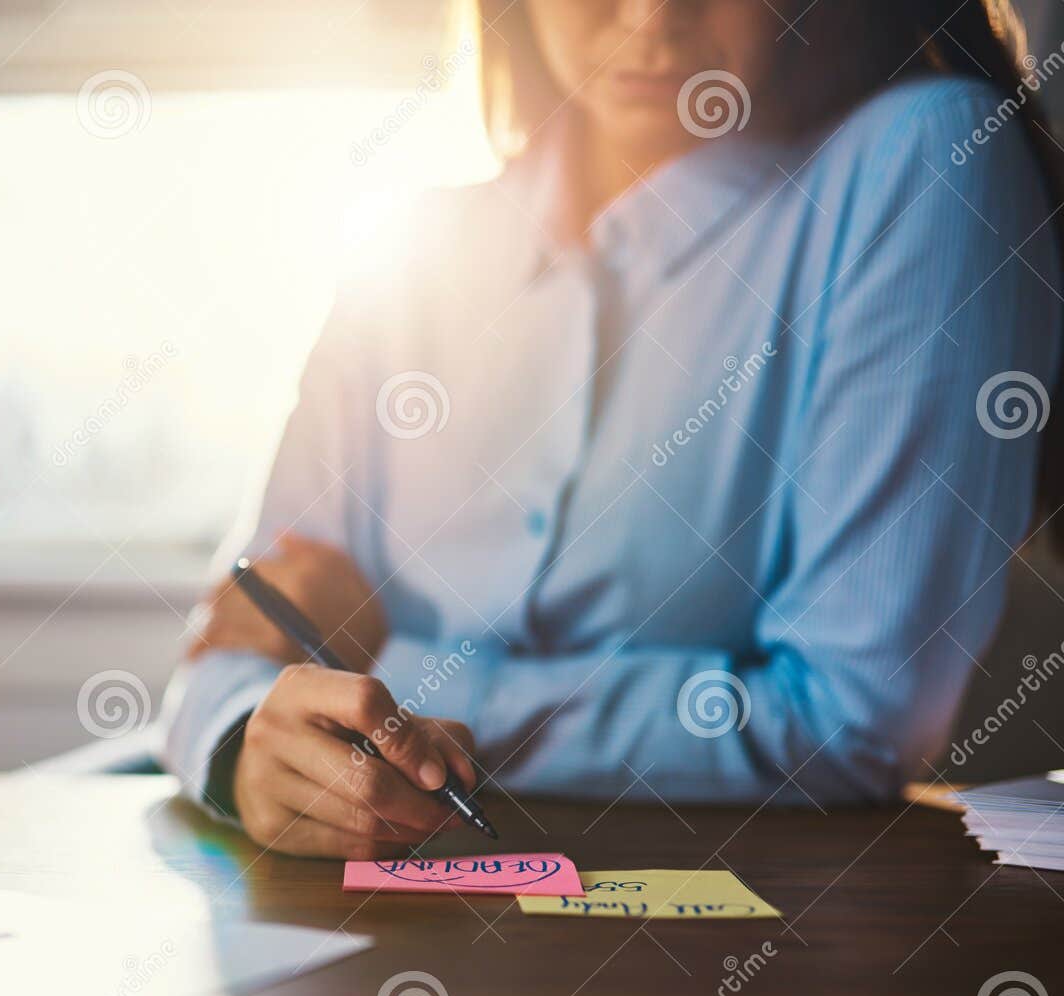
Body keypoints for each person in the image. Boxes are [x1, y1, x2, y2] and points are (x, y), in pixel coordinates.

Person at [160, 0, 1064, 859]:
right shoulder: (412, 243)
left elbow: (853, 719)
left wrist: (388, 669)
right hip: (373, 910)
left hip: (748, 927)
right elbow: (239, 641)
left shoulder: (924, 160)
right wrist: (246, 751)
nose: (649, 17)